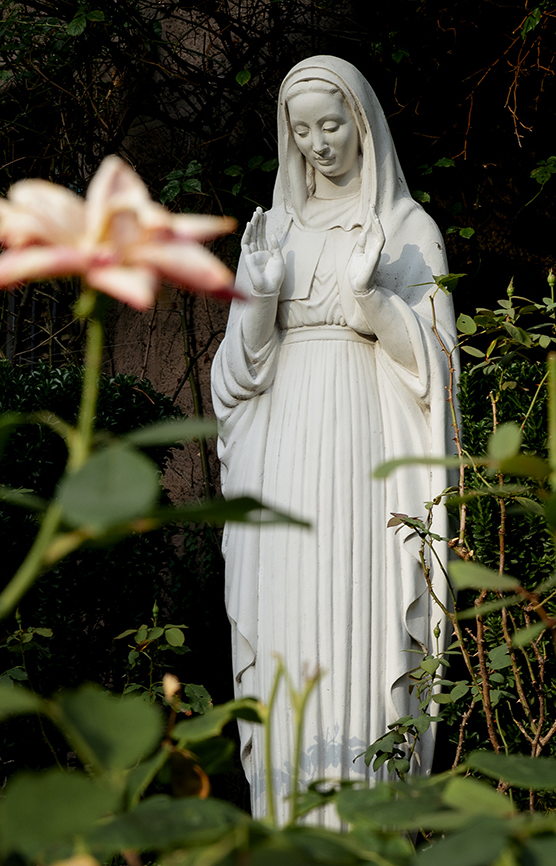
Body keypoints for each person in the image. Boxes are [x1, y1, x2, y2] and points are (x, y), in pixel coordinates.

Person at [213, 55, 455, 825]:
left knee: (363, 612)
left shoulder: (409, 231)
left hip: (364, 453)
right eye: (302, 128)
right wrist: (257, 298)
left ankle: (366, 827)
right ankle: (289, 832)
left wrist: (373, 299)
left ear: (363, 124)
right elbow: (231, 379)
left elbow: (436, 373)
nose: (319, 143)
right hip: (284, 452)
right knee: (287, 616)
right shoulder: (271, 232)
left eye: (332, 124)